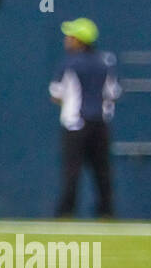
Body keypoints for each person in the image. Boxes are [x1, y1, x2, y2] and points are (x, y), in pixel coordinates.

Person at [50, 18, 120, 218]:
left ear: (80, 40)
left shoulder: (69, 63)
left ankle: (65, 212)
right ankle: (106, 212)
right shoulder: (104, 62)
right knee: (102, 172)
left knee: (71, 171)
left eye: (71, 36)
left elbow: (56, 93)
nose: (66, 39)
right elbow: (113, 92)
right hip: (100, 123)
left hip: (75, 124)